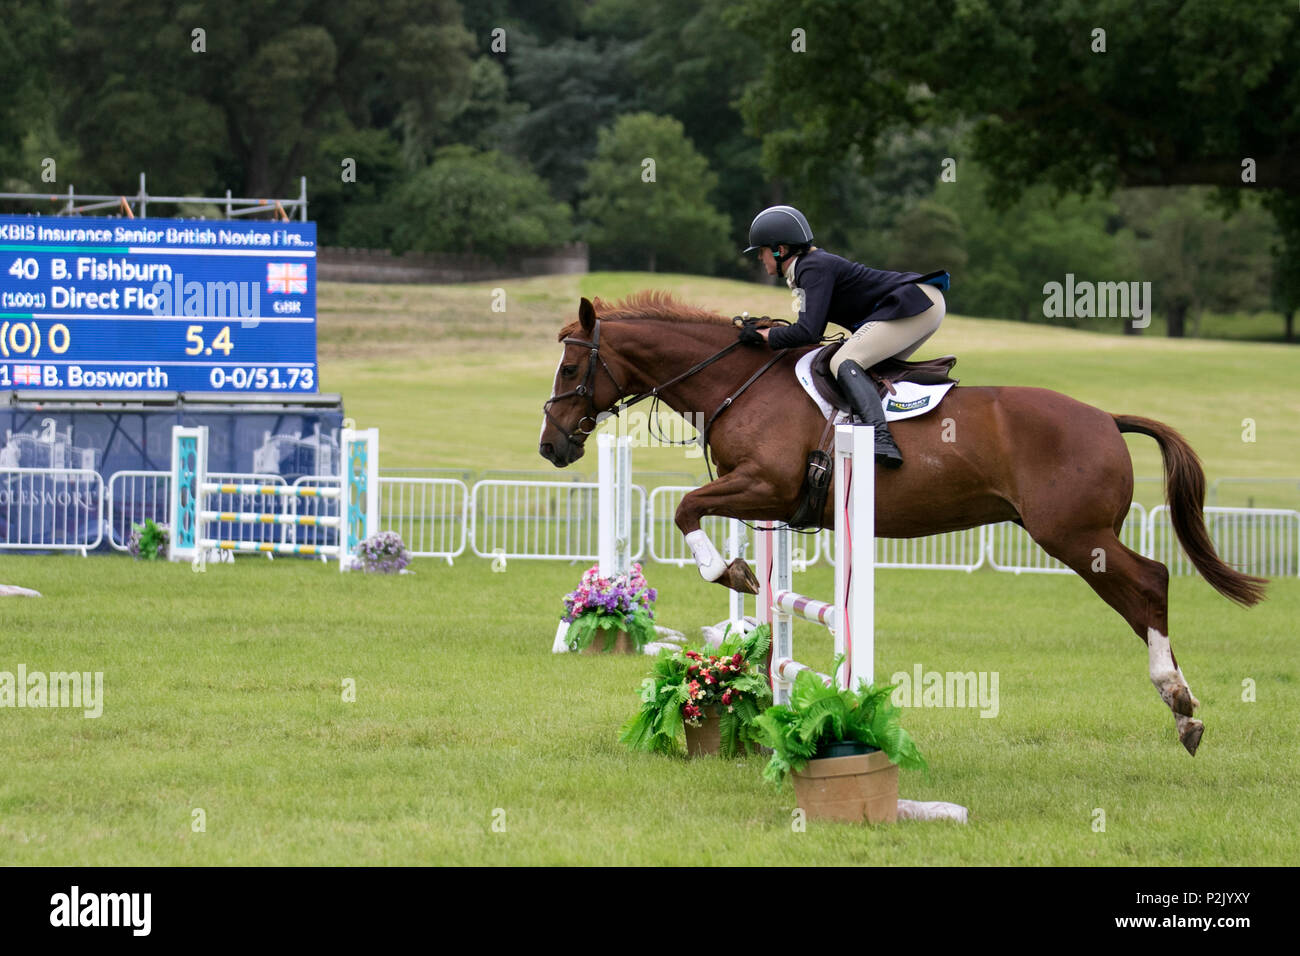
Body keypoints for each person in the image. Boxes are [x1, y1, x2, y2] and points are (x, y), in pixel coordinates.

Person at [738, 204, 948, 468]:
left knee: (843, 363)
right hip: (921, 302)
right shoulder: (810, 267)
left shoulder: (811, 267)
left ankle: (881, 440)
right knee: (869, 371)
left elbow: (808, 331)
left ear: (780, 250)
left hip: (915, 302)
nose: (760, 258)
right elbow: (810, 330)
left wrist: (765, 336)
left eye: (762, 251)